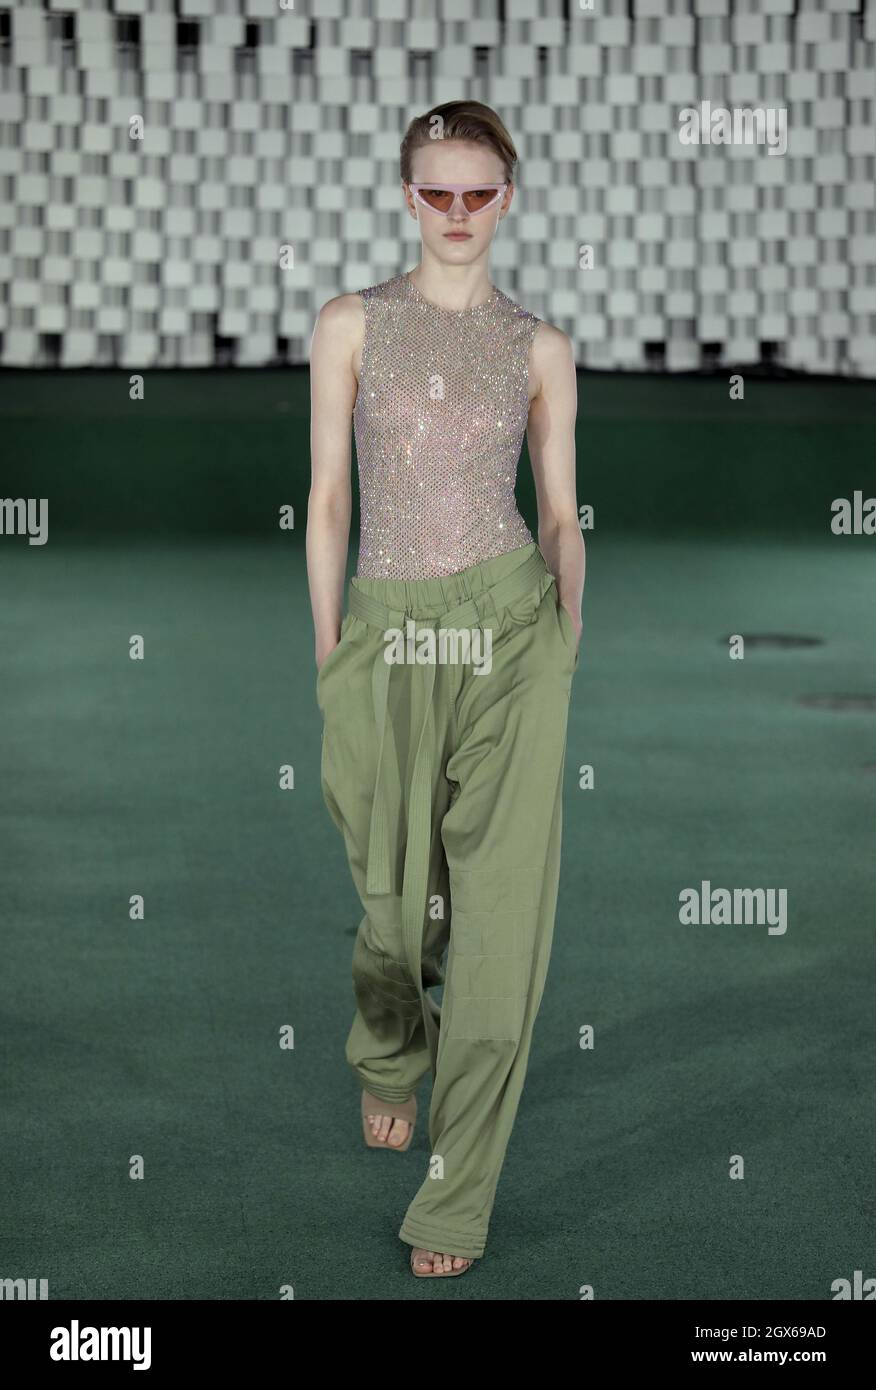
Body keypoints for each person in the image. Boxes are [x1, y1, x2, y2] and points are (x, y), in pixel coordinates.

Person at [306, 99, 585, 1279]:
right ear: (407, 197)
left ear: (507, 199)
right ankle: (387, 1047)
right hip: (386, 634)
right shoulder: (350, 324)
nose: (459, 213)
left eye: (480, 193)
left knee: (497, 933)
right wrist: (331, 660)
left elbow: (562, 506)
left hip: (513, 630)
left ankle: (455, 1197)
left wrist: (568, 638)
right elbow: (327, 500)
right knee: (393, 908)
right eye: (438, 193)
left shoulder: (541, 347)